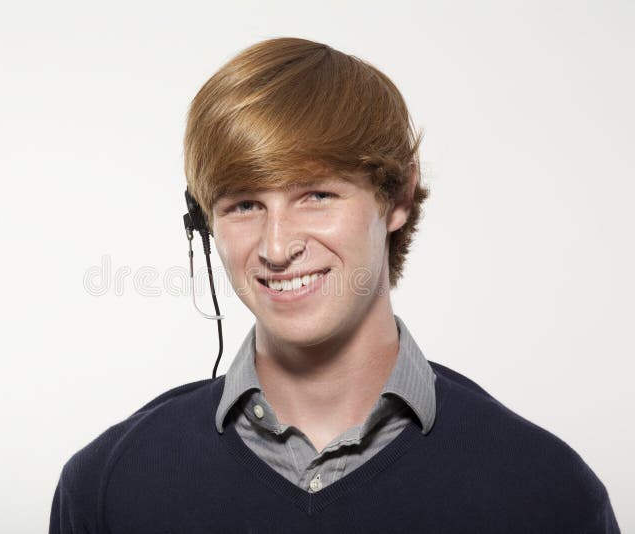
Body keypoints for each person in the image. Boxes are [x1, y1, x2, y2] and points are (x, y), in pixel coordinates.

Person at [49, 37, 619, 533]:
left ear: (396, 198)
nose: (276, 247)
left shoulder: (545, 493)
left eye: (316, 195)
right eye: (244, 205)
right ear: (204, 226)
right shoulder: (109, 485)